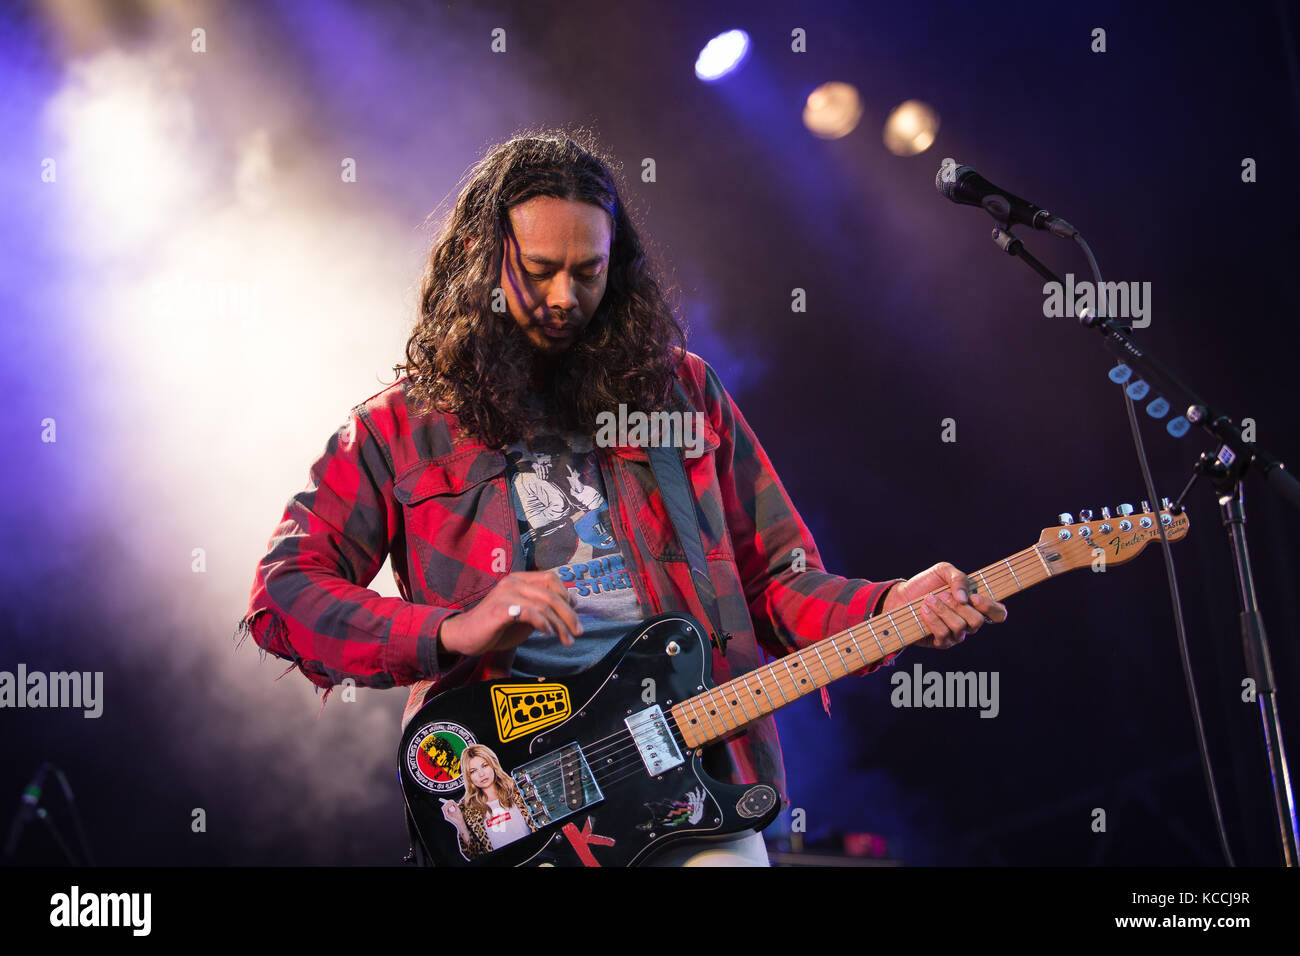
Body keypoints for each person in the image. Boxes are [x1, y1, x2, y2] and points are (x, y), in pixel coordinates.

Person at [236, 128, 1008, 867]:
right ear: (479, 259)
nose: (565, 296)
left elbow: (774, 581)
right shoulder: (398, 427)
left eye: (589, 271)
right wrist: (452, 630)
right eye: (538, 271)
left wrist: (890, 607)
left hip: (693, 780)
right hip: (517, 804)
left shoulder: (682, 393)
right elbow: (283, 594)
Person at [440, 744, 539, 860]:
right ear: (469, 777)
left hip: (536, 855)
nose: (481, 774)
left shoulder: (519, 788)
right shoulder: (467, 809)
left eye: (484, 765)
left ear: (493, 765)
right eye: (473, 771)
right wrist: (460, 823)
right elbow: (474, 855)